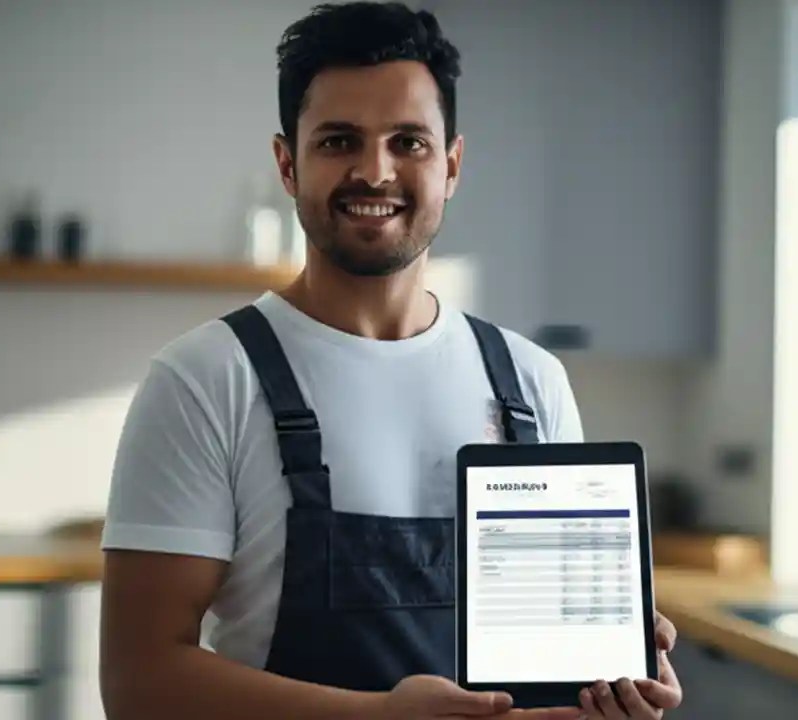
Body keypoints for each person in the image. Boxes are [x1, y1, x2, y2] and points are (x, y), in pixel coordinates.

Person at [98, 3, 683, 719]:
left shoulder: (531, 382)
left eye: (408, 142)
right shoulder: (204, 381)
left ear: (452, 165)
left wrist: (611, 674)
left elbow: (552, 667)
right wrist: (378, 718)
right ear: (287, 164)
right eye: (339, 140)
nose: (374, 172)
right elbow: (139, 684)